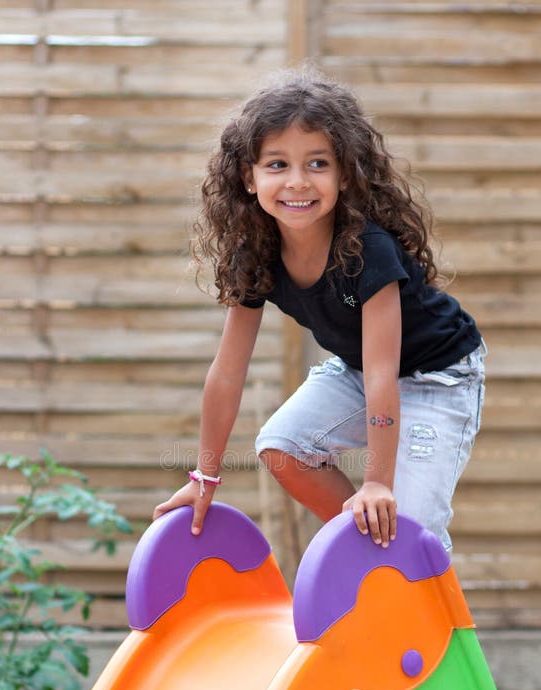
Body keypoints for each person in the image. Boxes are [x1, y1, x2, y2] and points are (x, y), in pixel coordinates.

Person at [153, 68, 485, 556]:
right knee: (283, 446)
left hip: (439, 377)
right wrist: (205, 475)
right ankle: (368, 550)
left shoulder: (368, 250)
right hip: (361, 370)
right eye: (277, 165)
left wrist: (377, 482)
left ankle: (405, 566)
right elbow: (227, 372)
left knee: (413, 536)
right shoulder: (258, 252)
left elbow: (382, 375)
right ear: (248, 177)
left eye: (317, 163)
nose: (297, 182)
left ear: (345, 173)